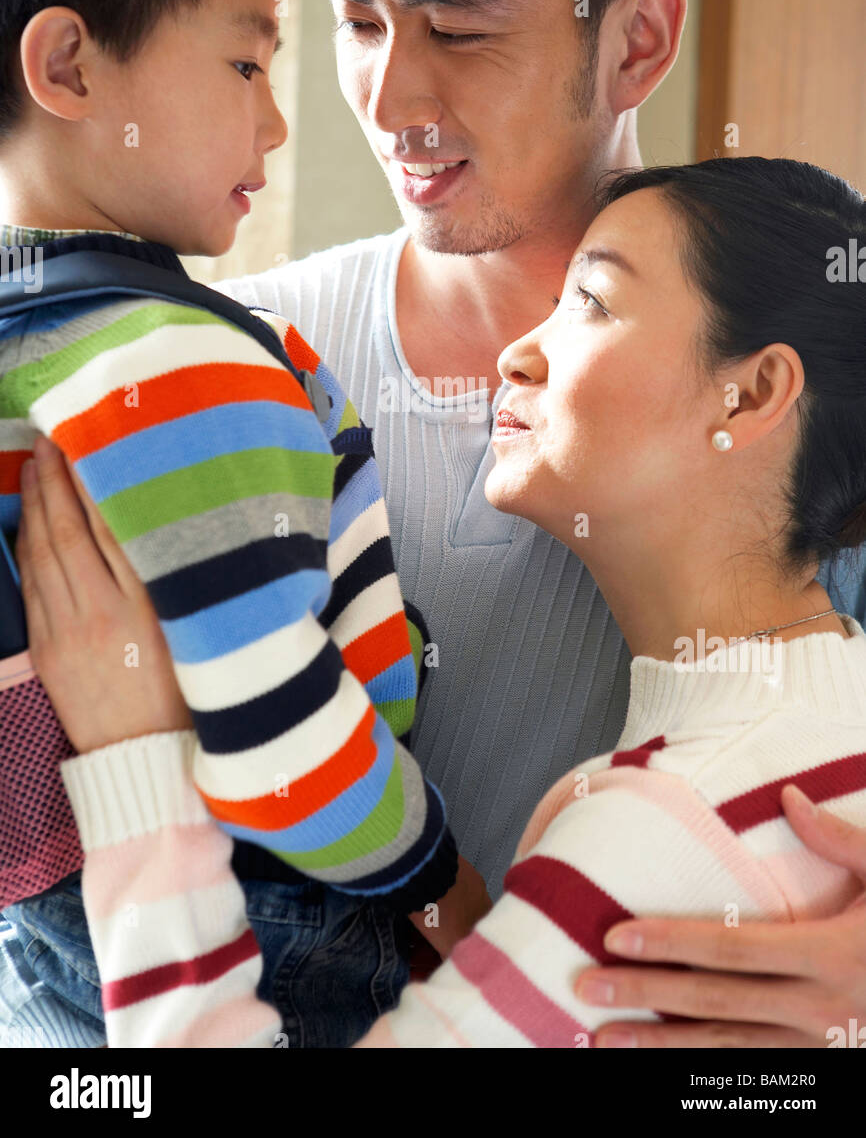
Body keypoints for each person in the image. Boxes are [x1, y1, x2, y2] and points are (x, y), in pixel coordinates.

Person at [7, 0, 866, 1048]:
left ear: (634, 38)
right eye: (356, 21)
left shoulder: (789, 379)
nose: (389, 96)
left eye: (458, 26)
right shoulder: (211, 375)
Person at [16, 155, 866, 1048]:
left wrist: (136, 768)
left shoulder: (652, 850)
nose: (516, 354)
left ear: (757, 390)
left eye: (592, 302)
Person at [0, 0, 468, 1051]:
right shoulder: (177, 369)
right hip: (267, 918)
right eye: (246, 63)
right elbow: (275, 735)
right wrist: (435, 876)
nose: (273, 120)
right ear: (68, 65)